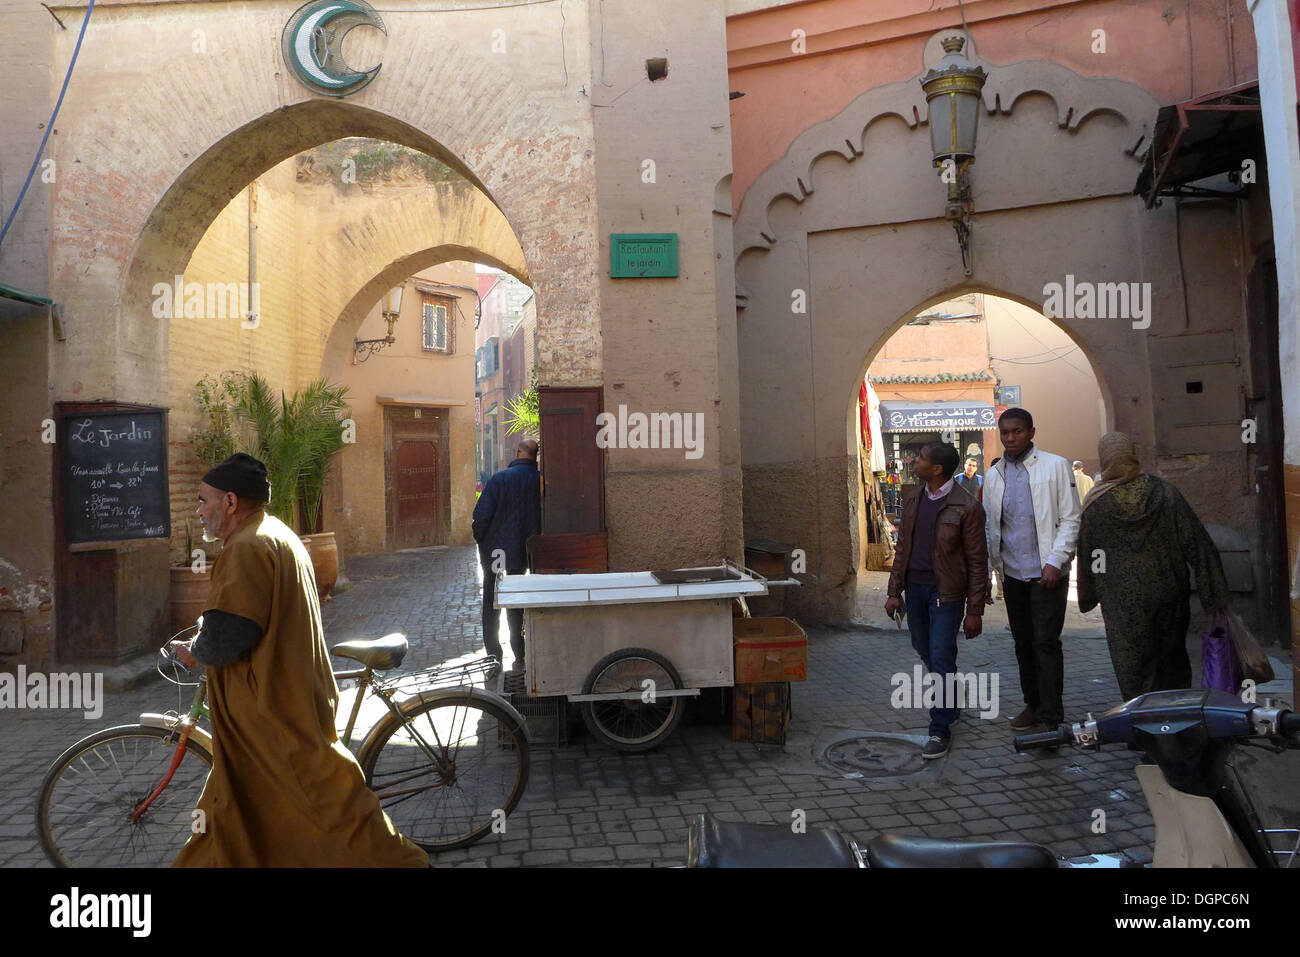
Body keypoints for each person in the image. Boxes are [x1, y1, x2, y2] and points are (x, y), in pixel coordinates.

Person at [169, 453, 427, 867]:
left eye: (203, 500)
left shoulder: (247, 547)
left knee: (330, 807)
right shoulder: (275, 533)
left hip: (273, 712)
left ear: (231, 502)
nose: (198, 511)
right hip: (289, 697)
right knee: (246, 809)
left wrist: (194, 651)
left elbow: (227, 638)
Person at [1076, 432, 1231, 700]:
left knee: (1132, 663)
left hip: (1122, 602)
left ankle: (1141, 722)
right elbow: (1196, 541)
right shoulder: (1165, 493)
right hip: (1169, 592)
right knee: (1171, 658)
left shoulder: (1097, 504)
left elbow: (1090, 553)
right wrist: (1213, 594)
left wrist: (1091, 594)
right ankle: (1176, 721)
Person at [884, 442, 988, 759]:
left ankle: (939, 728)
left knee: (942, 656)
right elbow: (902, 549)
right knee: (923, 647)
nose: (915, 461)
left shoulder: (967, 506)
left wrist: (975, 610)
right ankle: (951, 694)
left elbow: (977, 560)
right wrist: (893, 591)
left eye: (922, 458)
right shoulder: (913, 499)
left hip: (947, 593)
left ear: (937, 469)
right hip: (915, 589)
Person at [982, 408, 1081, 734]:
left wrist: (1055, 561)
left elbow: (1071, 518)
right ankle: (1032, 704)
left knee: (1045, 642)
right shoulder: (995, 475)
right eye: (1005, 432)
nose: (1010, 438)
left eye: (1018, 432)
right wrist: (990, 573)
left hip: (1047, 573)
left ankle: (1050, 716)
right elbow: (991, 528)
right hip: (1012, 574)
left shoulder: (1055, 466)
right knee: (1023, 642)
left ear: (1031, 432)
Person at [472, 438, 542, 676]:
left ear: (517, 452)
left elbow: (481, 516)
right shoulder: (540, 480)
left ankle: (493, 658)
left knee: (492, 603)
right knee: (518, 601)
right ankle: (520, 653)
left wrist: (482, 540)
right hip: (525, 553)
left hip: (496, 552)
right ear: (535, 456)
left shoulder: (500, 479)